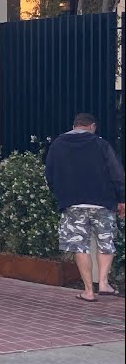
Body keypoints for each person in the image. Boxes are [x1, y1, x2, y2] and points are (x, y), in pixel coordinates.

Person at [44, 113, 125, 302]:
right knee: (106, 241)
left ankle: (88, 291)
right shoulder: (100, 144)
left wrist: (60, 194)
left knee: (80, 246)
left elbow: (50, 174)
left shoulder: (57, 145)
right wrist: (122, 199)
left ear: (74, 126)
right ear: (92, 126)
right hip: (102, 202)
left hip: (72, 203)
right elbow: (117, 173)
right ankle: (103, 283)